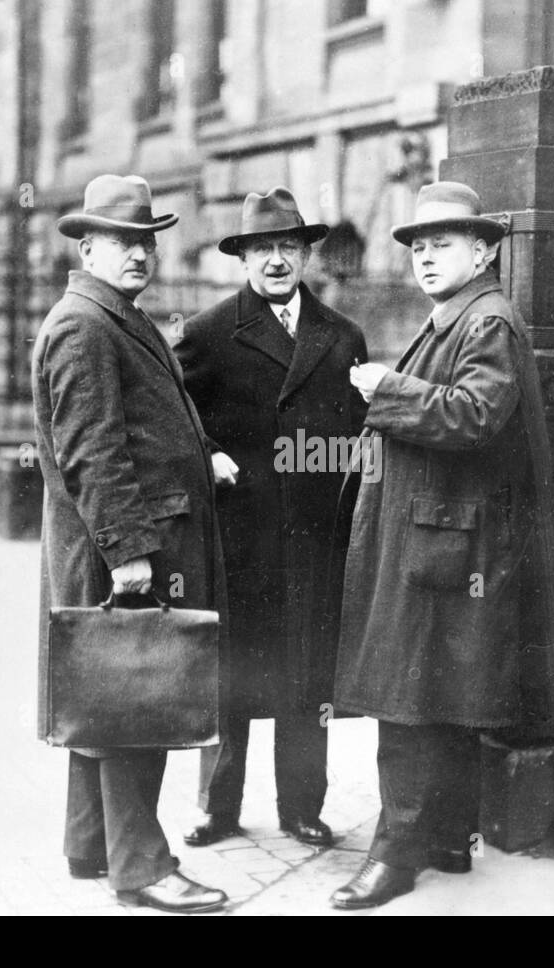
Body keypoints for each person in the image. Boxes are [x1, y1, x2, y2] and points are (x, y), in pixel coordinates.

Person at [329, 181, 554, 909]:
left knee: (406, 699)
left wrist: (387, 390)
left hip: (445, 543)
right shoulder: (463, 313)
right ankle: (449, 840)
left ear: (484, 249)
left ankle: (395, 856)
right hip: (443, 539)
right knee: (439, 693)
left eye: (442, 244)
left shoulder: (484, 319)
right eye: (419, 247)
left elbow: (474, 416)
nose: (426, 259)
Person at [31, 174, 229, 914]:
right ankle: (142, 868)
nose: (140, 252)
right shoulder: (85, 325)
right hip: (124, 543)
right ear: (88, 246)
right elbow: (93, 451)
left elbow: (148, 420)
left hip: (128, 535)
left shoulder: (114, 316)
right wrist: (128, 552)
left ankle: (90, 846)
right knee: (135, 697)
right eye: (123, 240)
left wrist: (200, 451)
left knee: (102, 690)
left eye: (147, 239)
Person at [175, 187, 368, 849]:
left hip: (314, 540)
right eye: (263, 249)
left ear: (307, 252)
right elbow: (173, 420)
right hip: (240, 538)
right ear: (243, 258)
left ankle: (302, 808)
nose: (277, 261)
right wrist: (210, 456)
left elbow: (359, 436)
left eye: (288, 246)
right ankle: (217, 807)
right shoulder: (206, 334)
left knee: (304, 674)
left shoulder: (343, 338)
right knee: (230, 674)